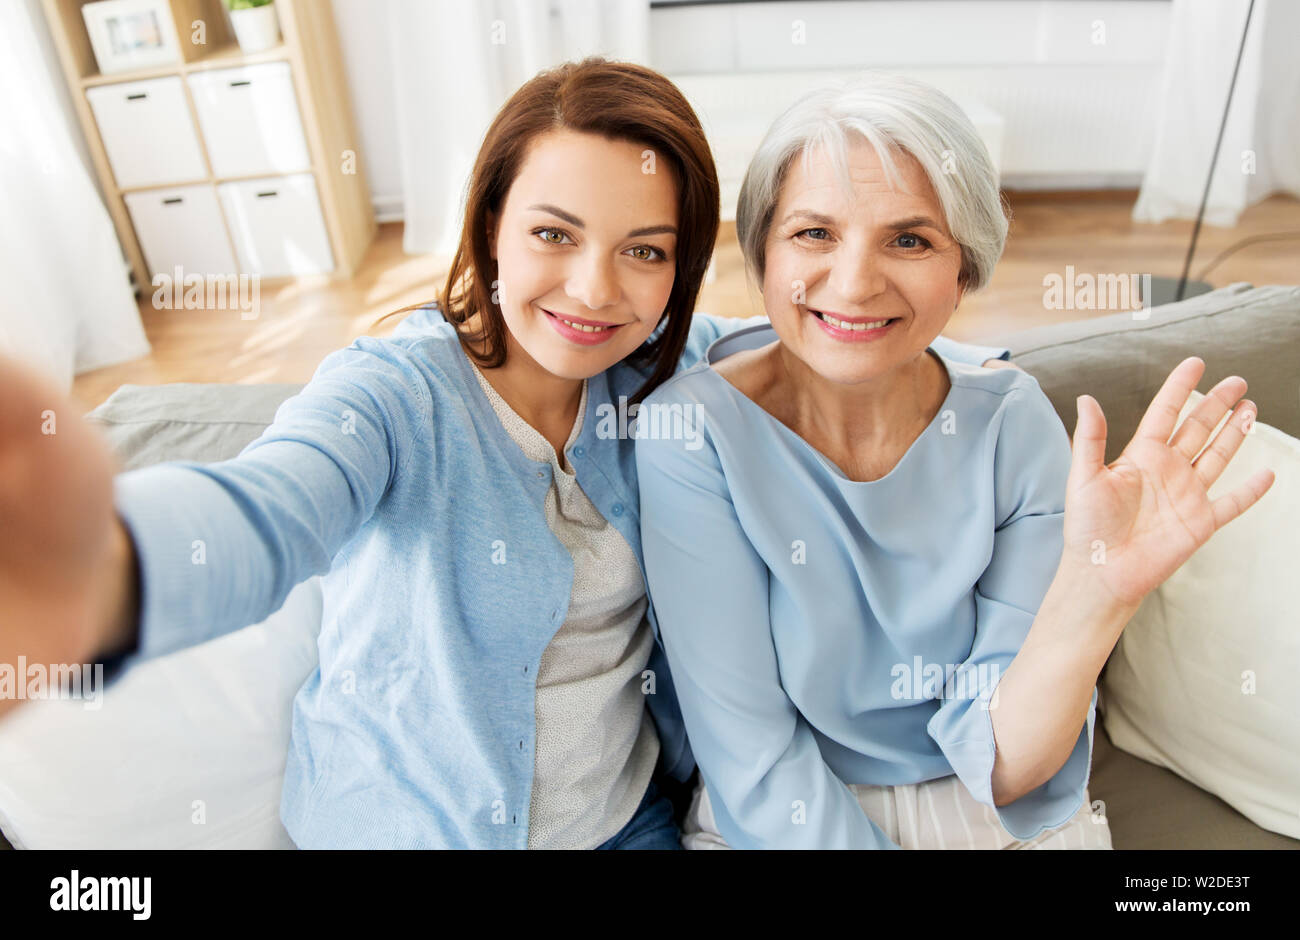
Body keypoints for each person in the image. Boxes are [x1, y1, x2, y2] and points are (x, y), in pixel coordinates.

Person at [0, 59, 1009, 850]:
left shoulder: (673, 374)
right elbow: (263, 514)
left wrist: (990, 377)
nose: (593, 290)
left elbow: (825, 331)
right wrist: (98, 566)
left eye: (644, 251)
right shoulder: (395, 393)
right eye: (553, 234)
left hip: (628, 827)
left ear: (683, 268)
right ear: (489, 227)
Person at [634, 73, 1275, 850]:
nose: (856, 282)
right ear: (761, 251)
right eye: (813, 233)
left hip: (986, 811)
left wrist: (1098, 593)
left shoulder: (1010, 420)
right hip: (785, 818)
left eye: (909, 239)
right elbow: (755, 762)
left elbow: (1007, 765)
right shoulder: (691, 435)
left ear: (966, 266)